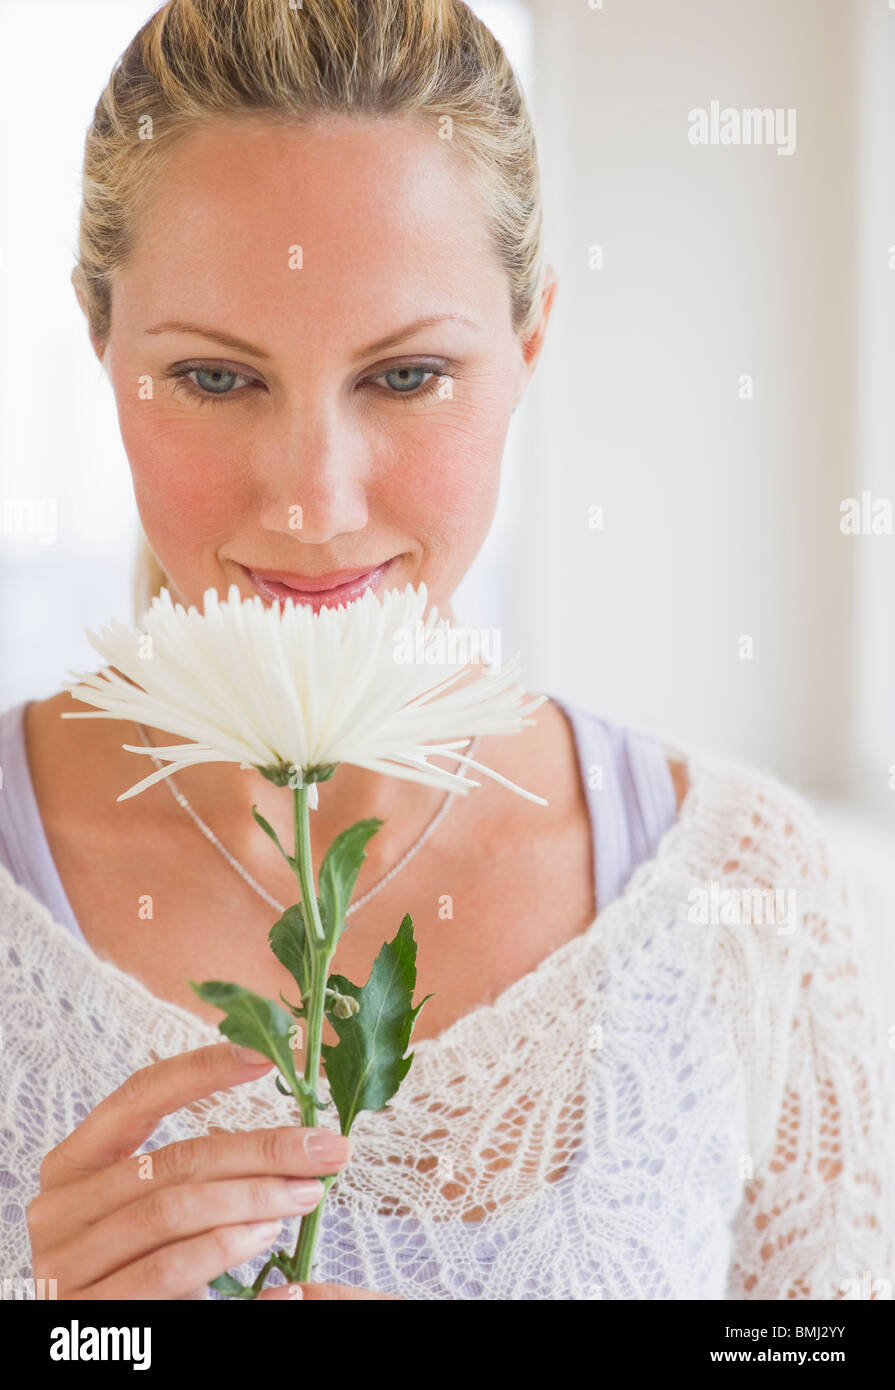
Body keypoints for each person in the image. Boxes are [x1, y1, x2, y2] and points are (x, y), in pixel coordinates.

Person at [0, 0, 890, 1301]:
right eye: (213, 377)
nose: (314, 501)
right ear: (103, 349)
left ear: (530, 346)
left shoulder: (746, 896)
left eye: (406, 376)